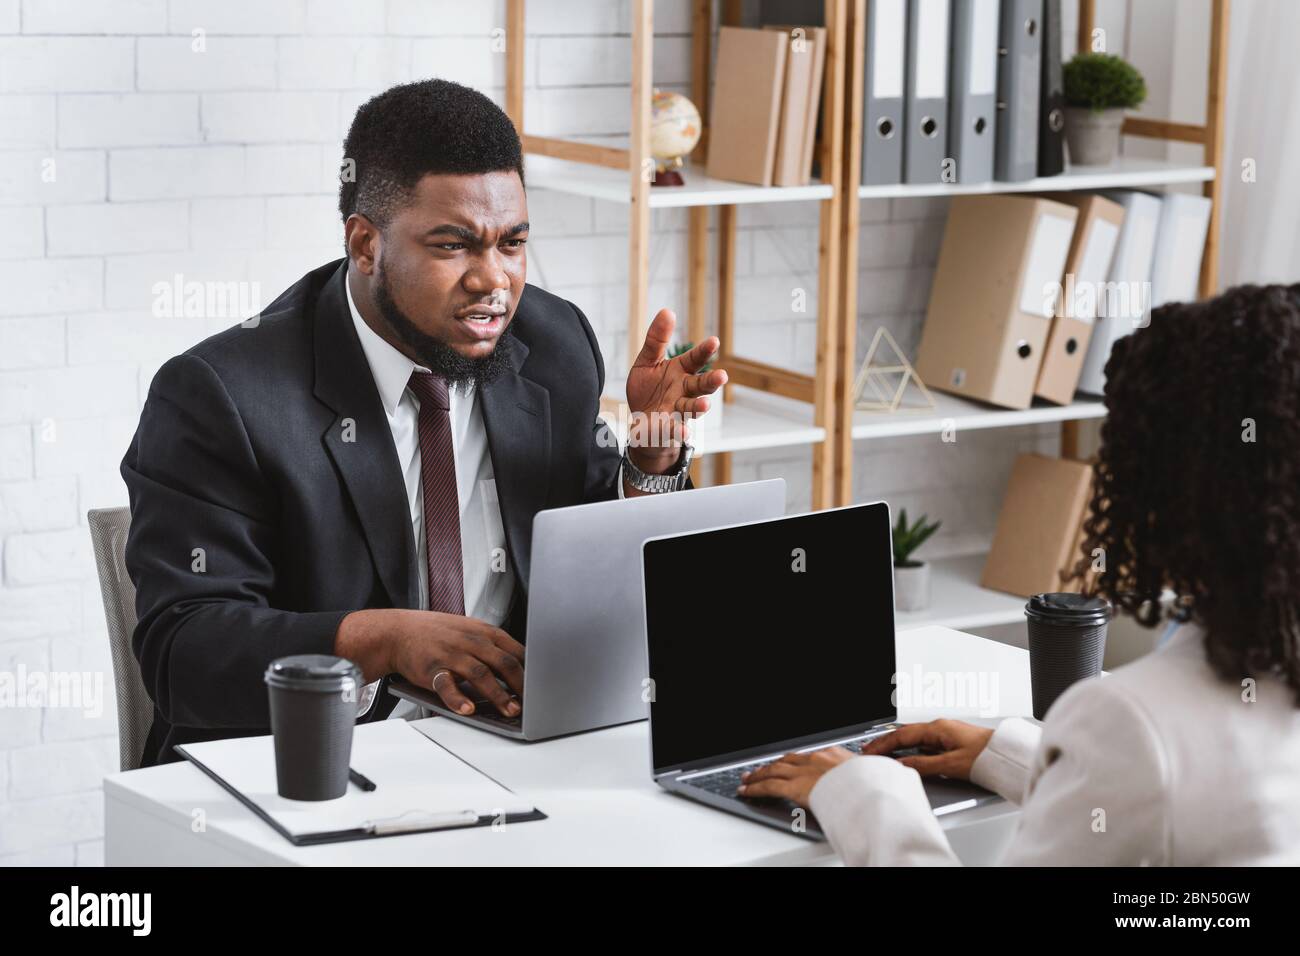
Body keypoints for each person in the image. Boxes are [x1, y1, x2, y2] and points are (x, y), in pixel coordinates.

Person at [122, 79, 727, 767]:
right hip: (303, 766)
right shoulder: (222, 394)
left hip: (512, 748)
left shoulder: (552, 343)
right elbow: (184, 650)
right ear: (365, 245)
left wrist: (649, 463)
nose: (493, 281)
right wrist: (381, 639)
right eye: (453, 246)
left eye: (512, 243)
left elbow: (587, 557)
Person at [739, 283, 1300, 865]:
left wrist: (867, 792)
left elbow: (1154, 776)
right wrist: (1018, 756)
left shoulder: (1129, 723)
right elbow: (1183, 810)